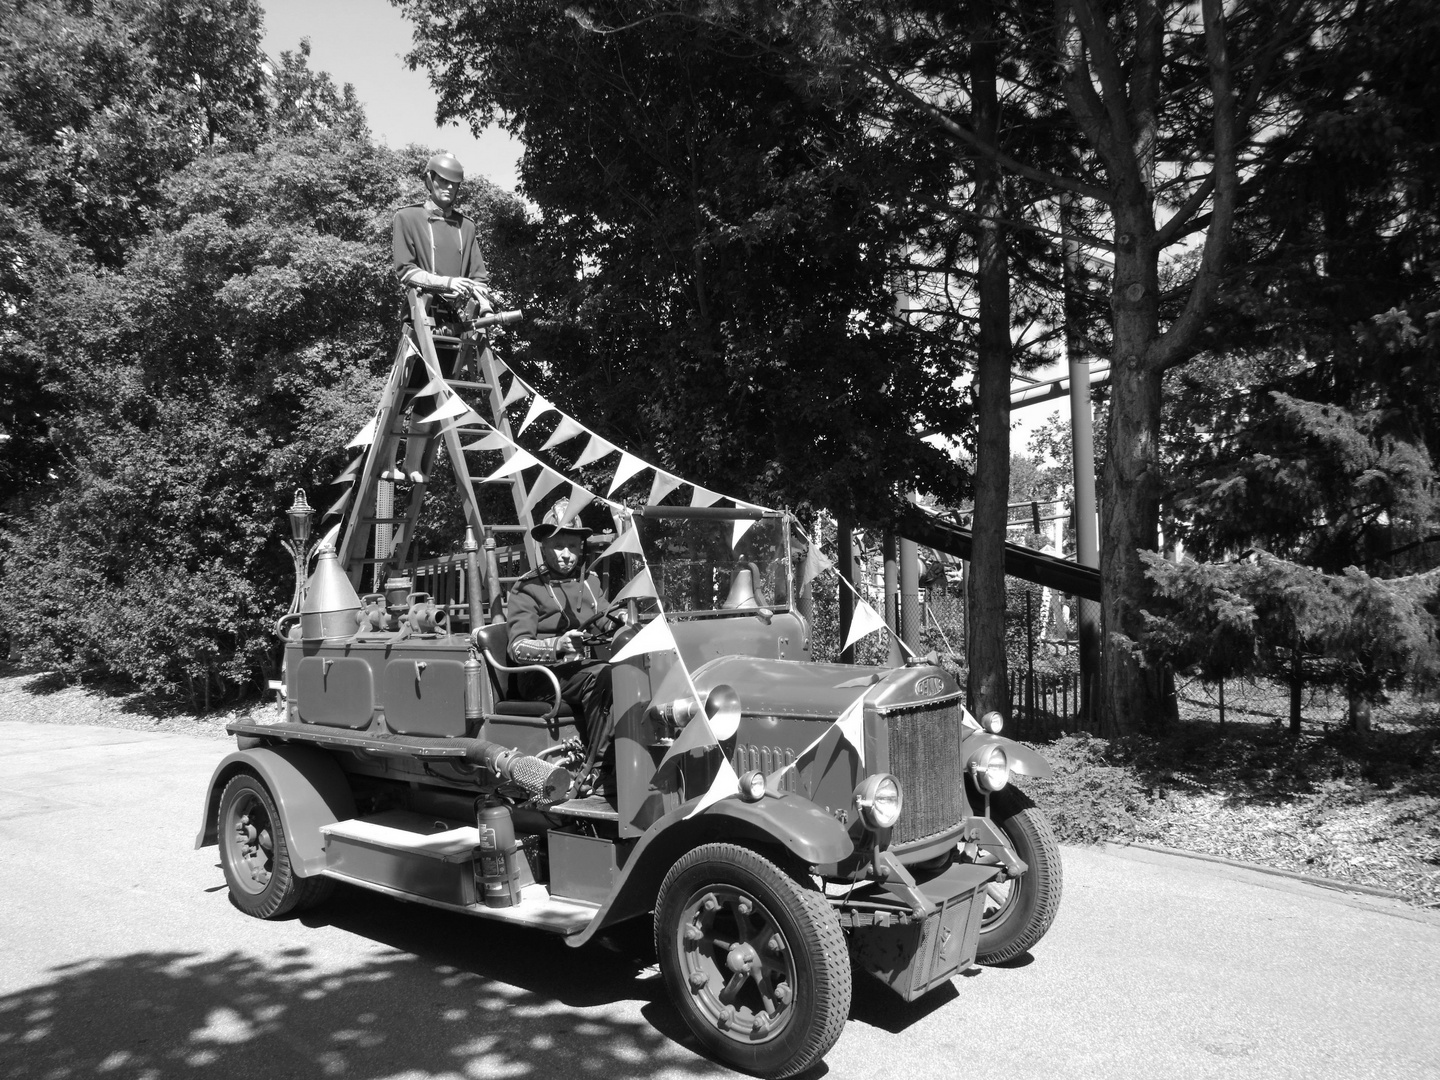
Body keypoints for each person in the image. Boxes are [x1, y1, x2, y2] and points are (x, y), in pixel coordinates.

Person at [505, 502, 620, 790]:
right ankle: (596, 772)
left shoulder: (590, 582)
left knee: (631, 671)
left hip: (578, 671)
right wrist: (558, 644)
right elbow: (517, 649)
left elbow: (604, 619)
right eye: (558, 546)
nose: (567, 554)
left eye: (572, 545)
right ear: (544, 547)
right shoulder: (526, 587)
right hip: (541, 676)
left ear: (582, 548)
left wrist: (622, 620)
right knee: (603, 676)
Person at [392, 151, 495, 316]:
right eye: (443, 180)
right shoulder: (407, 217)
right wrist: (447, 283)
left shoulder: (467, 226)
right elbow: (405, 271)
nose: (449, 187)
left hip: (461, 318)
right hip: (420, 315)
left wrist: (485, 308)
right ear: (429, 180)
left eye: (454, 183)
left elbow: (479, 278)